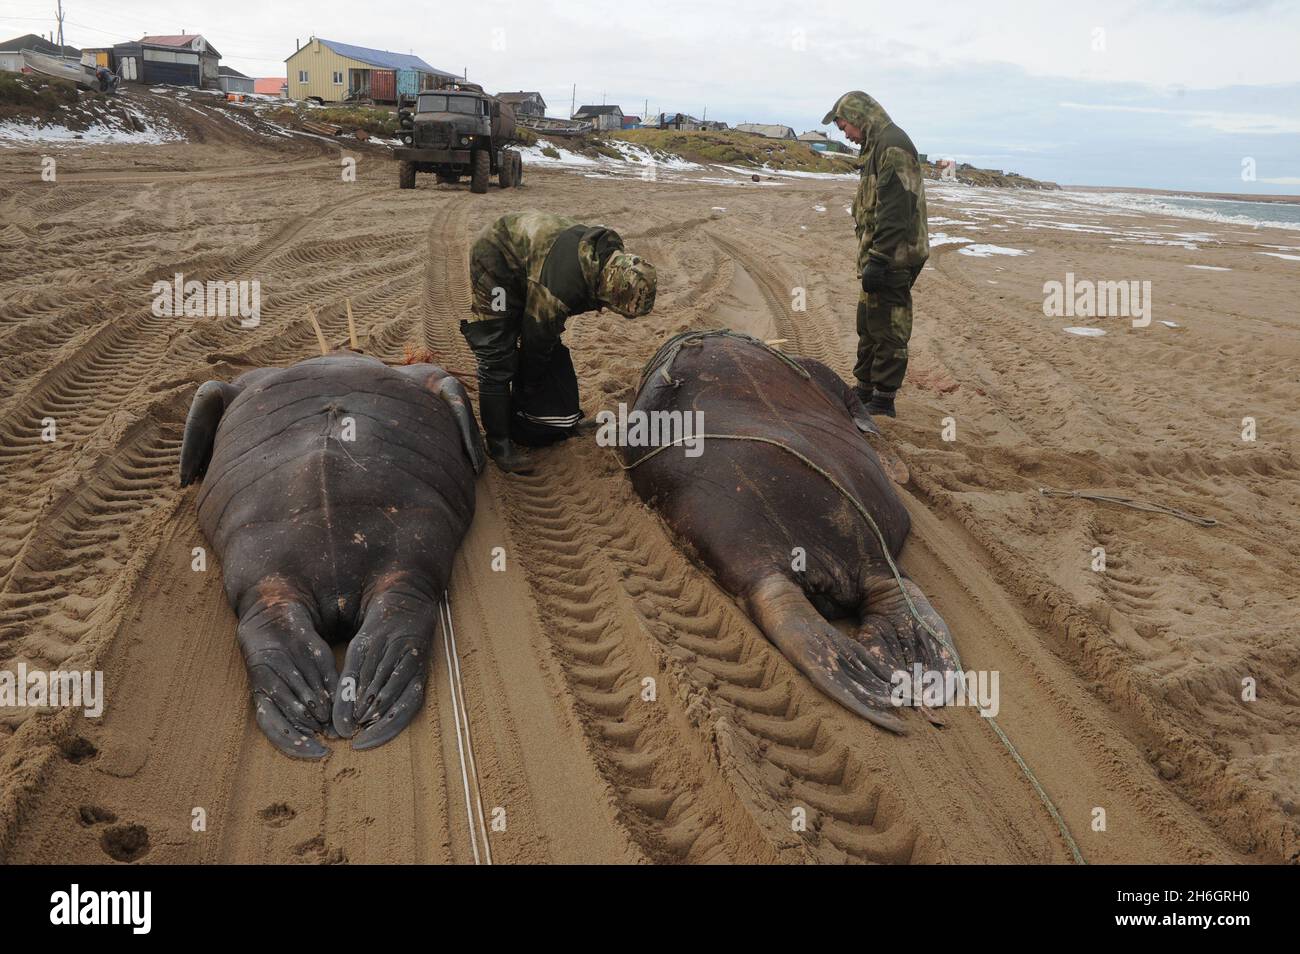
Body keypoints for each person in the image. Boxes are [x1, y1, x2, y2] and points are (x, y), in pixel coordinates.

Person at [463, 210, 657, 473]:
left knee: (549, 347)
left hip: (533, 262)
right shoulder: (560, 289)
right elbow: (536, 340)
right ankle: (498, 443)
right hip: (497, 259)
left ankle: (560, 418)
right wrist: (528, 388)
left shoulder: (610, 259)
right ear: (612, 291)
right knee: (497, 352)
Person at [822, 91, 929, 418]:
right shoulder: (877, 145)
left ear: (859, 117)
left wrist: (880, 259)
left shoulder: (893, 145)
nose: (846, 136)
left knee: (889, 329)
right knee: (869, 323)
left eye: (844, 128)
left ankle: (883, 401)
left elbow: (897, 209)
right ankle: (865, 389)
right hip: (880, 255)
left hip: (893, 257)